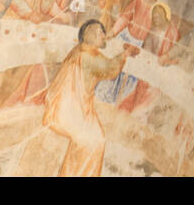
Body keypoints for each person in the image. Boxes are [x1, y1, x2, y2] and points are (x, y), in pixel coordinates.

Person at [41, 20, 130, 176]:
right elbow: (110, 69)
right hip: (73, 110)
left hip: (69, 106)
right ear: (93, 34)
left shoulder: (79, 50)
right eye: (101, 33)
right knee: (95, 140)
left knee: (89, 141)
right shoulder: (89, 55)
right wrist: (125, 54)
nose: (104, 36)